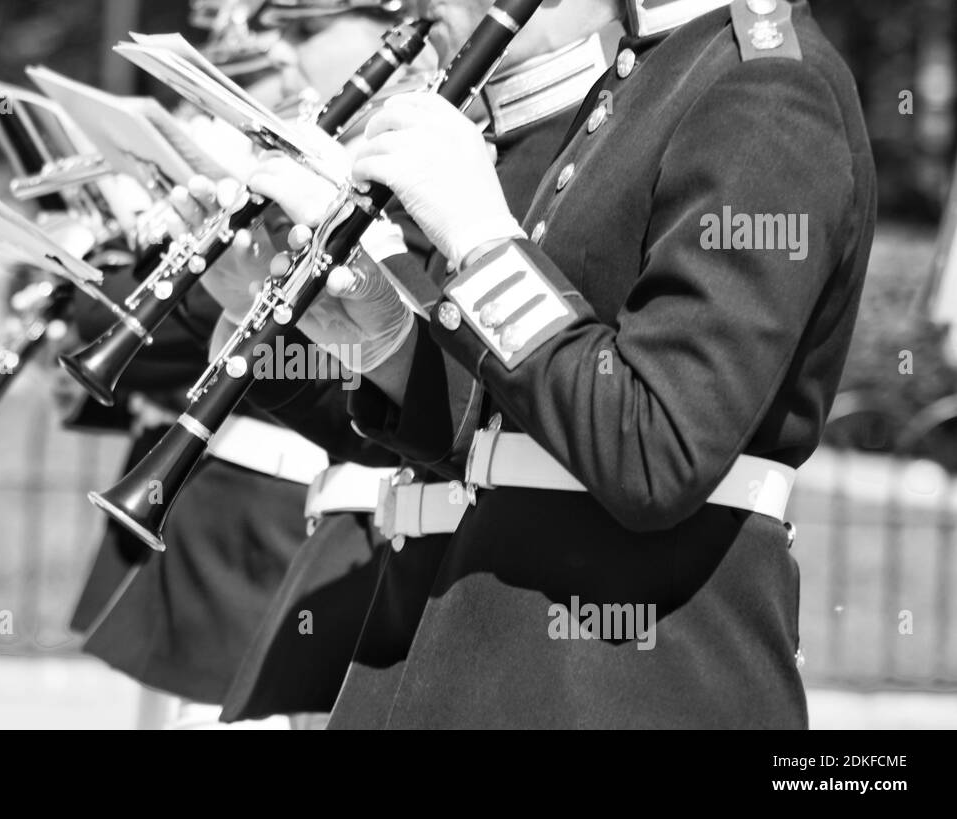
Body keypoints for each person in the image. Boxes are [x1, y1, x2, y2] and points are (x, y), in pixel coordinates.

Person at [208, 0, 876, 728]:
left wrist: (483, 242)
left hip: (624, 677)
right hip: (494, 653)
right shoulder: (645, 71)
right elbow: (514, 423)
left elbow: (657, 446)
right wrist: (383, 345)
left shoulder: (770, 89)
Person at [216, 7, 627, 726]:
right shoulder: (480, 133)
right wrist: (256, 311)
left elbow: (598, 418)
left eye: (304, 30)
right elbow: (415, 408)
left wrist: (448, 249)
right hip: (413, 594)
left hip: (535, 615)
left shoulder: (598, 136)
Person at [60, 0, 424, 729]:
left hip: (323, 514)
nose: (282, 57)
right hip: (318, 514)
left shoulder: (421, 154)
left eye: (303, 32)